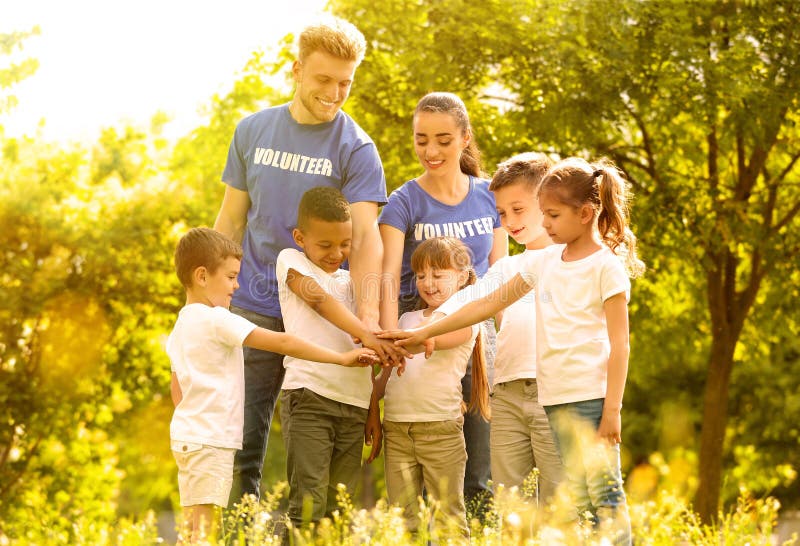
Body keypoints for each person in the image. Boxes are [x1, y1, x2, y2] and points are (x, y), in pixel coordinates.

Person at [381, 157, 645, 544]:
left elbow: (619, 342)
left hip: (581, 396)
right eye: (503, 212)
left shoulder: (598, 265)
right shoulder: (536, 262)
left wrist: (612, 410)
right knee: (536, 501)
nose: (511, 221)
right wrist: (426, 331)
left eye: (543, 213)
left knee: (590, 497)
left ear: (579, 212)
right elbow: (481, 303)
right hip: (540, 397)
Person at [213, 15, 391, 504]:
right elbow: (229, 221)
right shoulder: (252, 130)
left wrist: (367, 319)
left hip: (321, 316)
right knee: (242, 441)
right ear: (295, 70)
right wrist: (205, 302)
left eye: (345, 83)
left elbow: (367, 238)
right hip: (252, 306)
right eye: (324, 80)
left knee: (327, 442)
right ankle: (237, 536)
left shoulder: (357, 148)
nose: (335, 93)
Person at [167, 227, 377, 544]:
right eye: (230, 277)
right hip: (210, 440)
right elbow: (283, 341)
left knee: (192, 523)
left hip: (188, 437)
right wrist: (340, 358)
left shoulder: (182, 323)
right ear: (201, 276)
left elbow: (177, 388)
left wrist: (191, 422)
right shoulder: (216, 319)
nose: (236, 286)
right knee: (205, 528)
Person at [378, 91, 507, 514]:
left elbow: (501, 275)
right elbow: (384, 276)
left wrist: (506, 343)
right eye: (421, 139)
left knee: (477, 467)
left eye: (443, 140)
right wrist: (386, 342)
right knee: (426, 470)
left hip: (478, 337)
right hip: (420, 336)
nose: (430, 151)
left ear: (465, 138)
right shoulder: (403, 202)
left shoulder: (490, 197)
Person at [276, 187, 405, 528]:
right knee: (309, 502)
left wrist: (371, 408)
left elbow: (367, 356)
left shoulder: (353, 282)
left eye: (345, 244)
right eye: (326, 245)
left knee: (339, 511)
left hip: (353, 406)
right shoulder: (291, 261)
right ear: (300, 237)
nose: (337, 253)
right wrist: (366, 332)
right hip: (310, 398)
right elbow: (318, 300)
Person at [367, 237, 490, 538]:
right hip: (397, 429)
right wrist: (373, 409)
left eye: (438, 274)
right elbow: (386, 375)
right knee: (404, 521)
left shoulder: (465, 320)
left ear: (462, 278)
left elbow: (439, 339)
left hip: (440, 432)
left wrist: (414, 340)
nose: (428, 282)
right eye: (421, 275)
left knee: (449, 519)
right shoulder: (407, 318)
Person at [483, 153, 564, 504]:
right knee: (510, 502)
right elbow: (471, 306)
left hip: (556, 392)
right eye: (502, 214)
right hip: (507, 395)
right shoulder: (506, 267)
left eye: (518, 210)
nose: (510, 221)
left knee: (559, 502)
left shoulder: (570, 260)